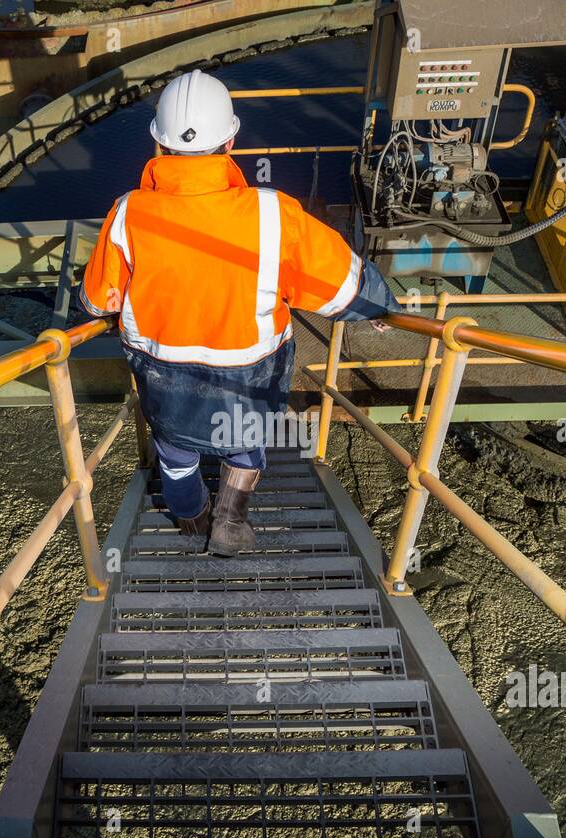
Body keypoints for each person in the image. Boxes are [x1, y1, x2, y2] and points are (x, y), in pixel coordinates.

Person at [79, 69, 399, 557]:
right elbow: (340, 281)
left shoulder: (127, 213)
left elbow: (100, 300)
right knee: (245, 444)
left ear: (157, 146)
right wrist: (380, 307)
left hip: (166, 381)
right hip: (249, 380)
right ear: (231, 139)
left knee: (176, 452)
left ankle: (191, 522)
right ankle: (230, 520)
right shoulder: (273, 212)